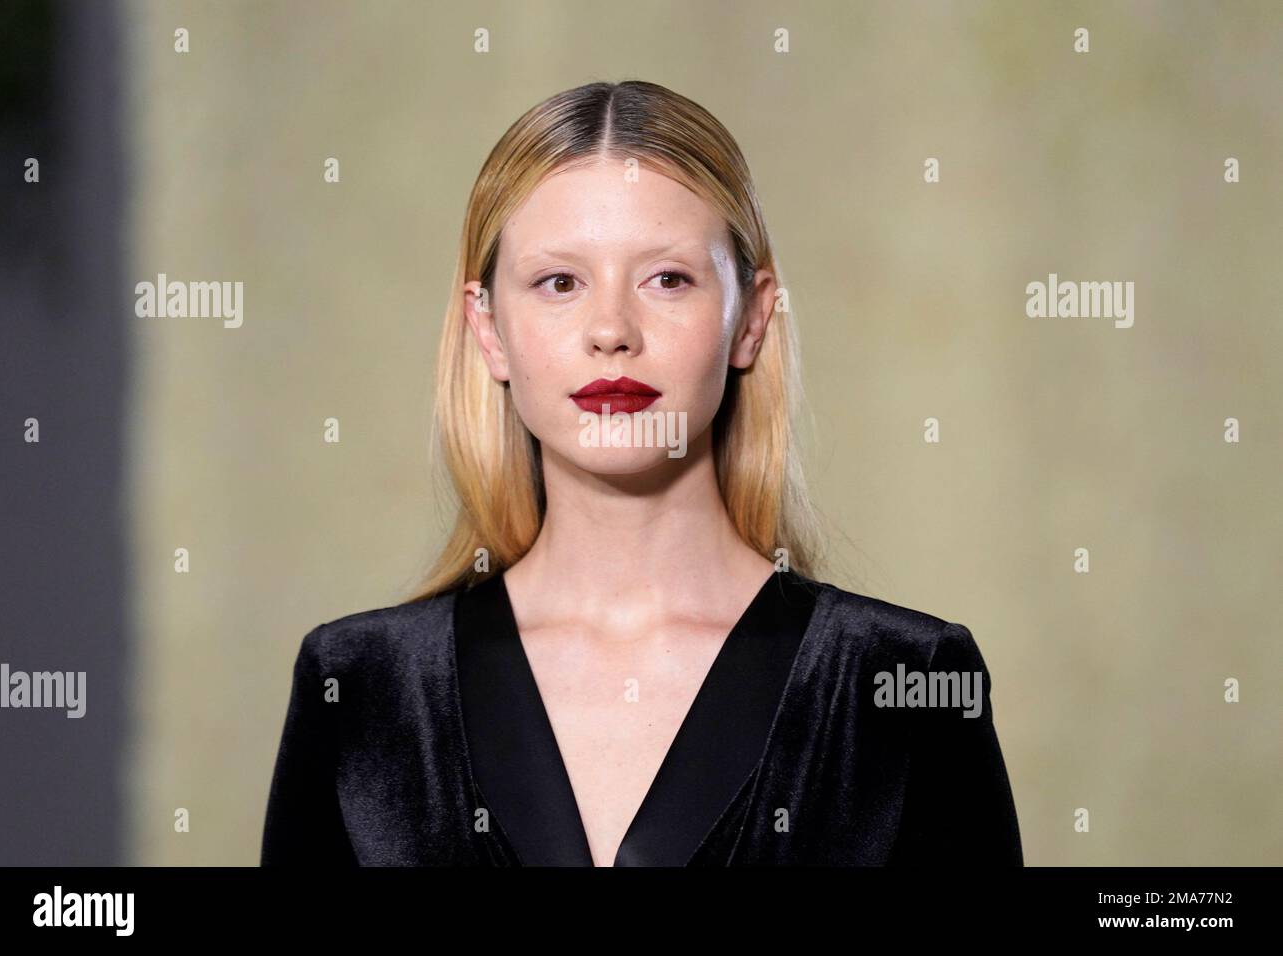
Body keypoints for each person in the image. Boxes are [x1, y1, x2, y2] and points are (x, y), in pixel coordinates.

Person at [260, 79, 1023, 867]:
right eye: (560, 282)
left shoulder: (901, 682)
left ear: (752, 319)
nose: (611, 331)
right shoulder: (359, 688)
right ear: (488, 329)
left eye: (667, 279)